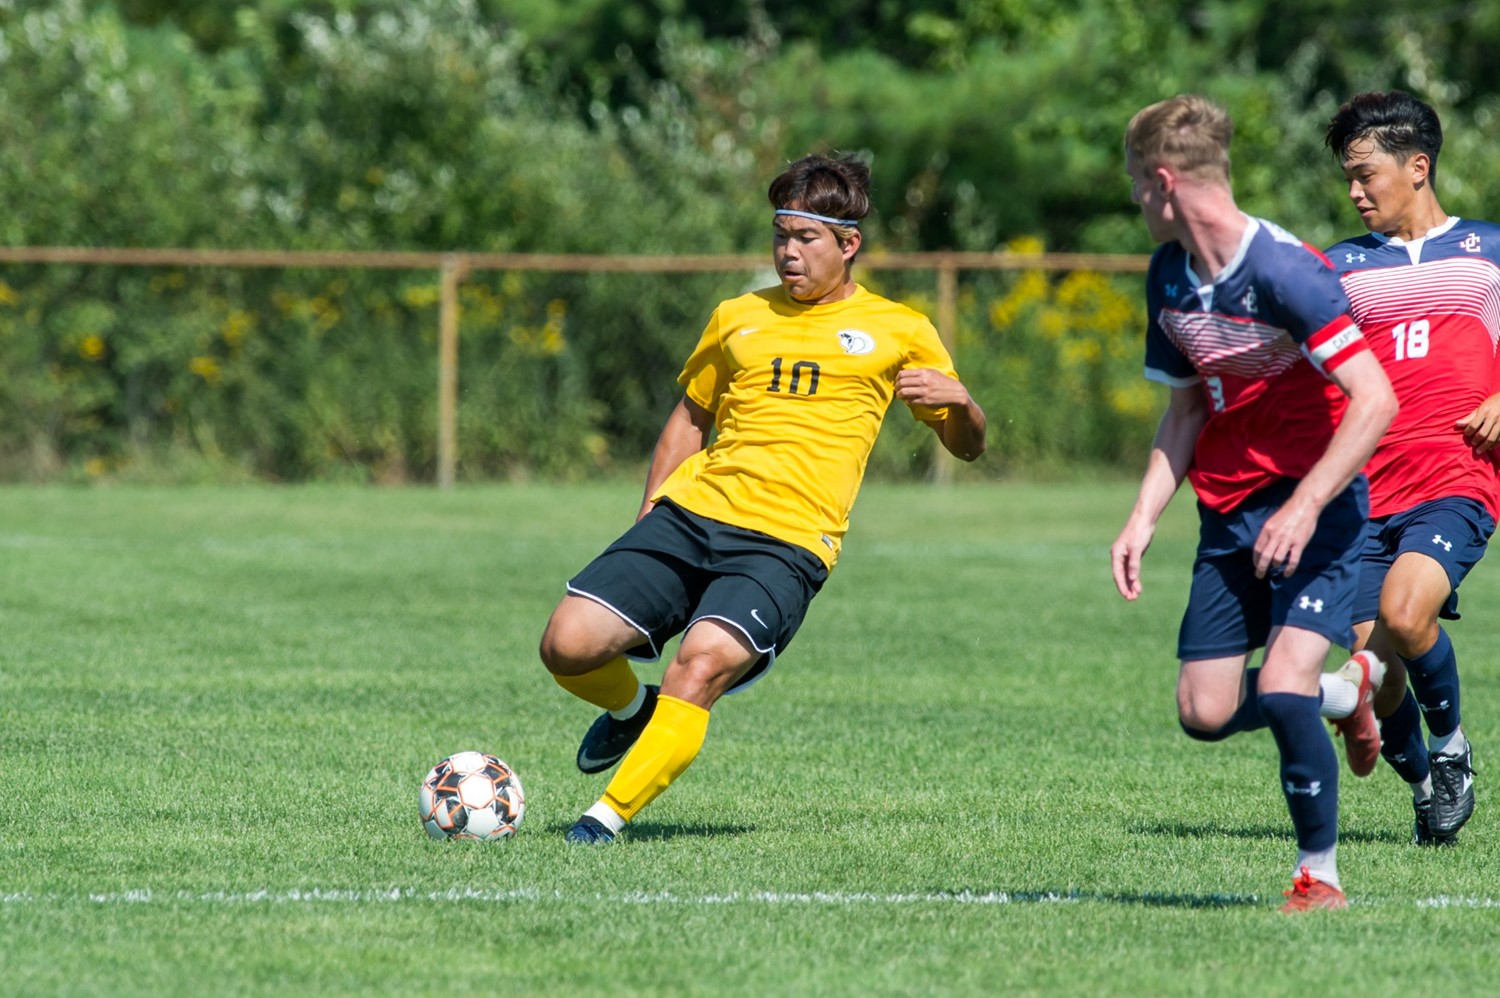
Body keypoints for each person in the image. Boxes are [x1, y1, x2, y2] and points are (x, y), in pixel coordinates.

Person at [538, 153, 988, 844]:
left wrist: (962, 404)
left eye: (805, 239)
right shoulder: (736, 316)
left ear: (849, 244)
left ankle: (603, 820)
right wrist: (649, 516)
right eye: (780, 235)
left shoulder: (902, 330)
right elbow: (689, 420)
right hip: (691, 516)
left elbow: (966, 446)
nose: (788, 252)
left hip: (787, 544)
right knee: (567, 645)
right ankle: (633, 710)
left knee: (702, 662)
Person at [1110, 95, 1398, 912]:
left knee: (1278, 687)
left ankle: (1321, 876)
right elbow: (1185, 412)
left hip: (1320, 511)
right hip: (1229, 517)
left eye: (1136, 183)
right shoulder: (1169, 276)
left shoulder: (1286, 271)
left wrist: (1305, 505)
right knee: (1203, 713)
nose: (1135, 200)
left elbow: (1374, 401)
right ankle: (1348, 693)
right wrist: (1141, 520)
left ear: (1166, 182)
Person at [1321, 90, 1500, 845]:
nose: (1356, 192)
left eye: (1367, 175)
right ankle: (1426, 783)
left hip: (1454, 479)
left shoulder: (1489, 251)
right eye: (1348, 180)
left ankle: (1453, 752)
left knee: (1404, 614)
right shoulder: (1337, 269)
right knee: (1376, 677)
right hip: (1361, 498)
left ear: (1418, 166)